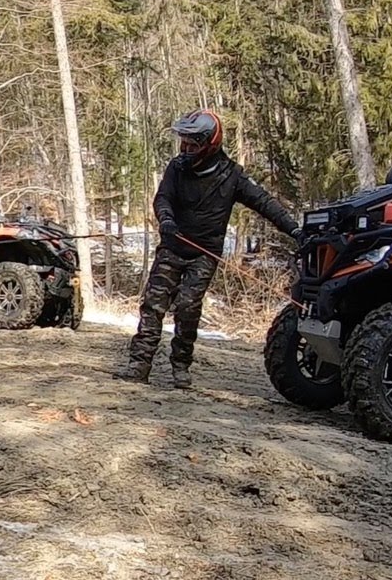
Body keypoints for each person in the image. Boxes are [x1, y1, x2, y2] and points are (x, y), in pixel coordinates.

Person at [115, 109, 299, 389]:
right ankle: (139, 365)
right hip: (172, 247)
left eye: (192, 145)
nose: (186, 149)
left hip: (204, 254)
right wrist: (166, 219)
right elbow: (162, 198)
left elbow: (265, 203)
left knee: (188, 307)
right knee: (153, 305)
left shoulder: (232, 175)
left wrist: (294, 230)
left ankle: (180, 366)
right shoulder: (176, 168)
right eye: (183, 143)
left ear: (209, 144)